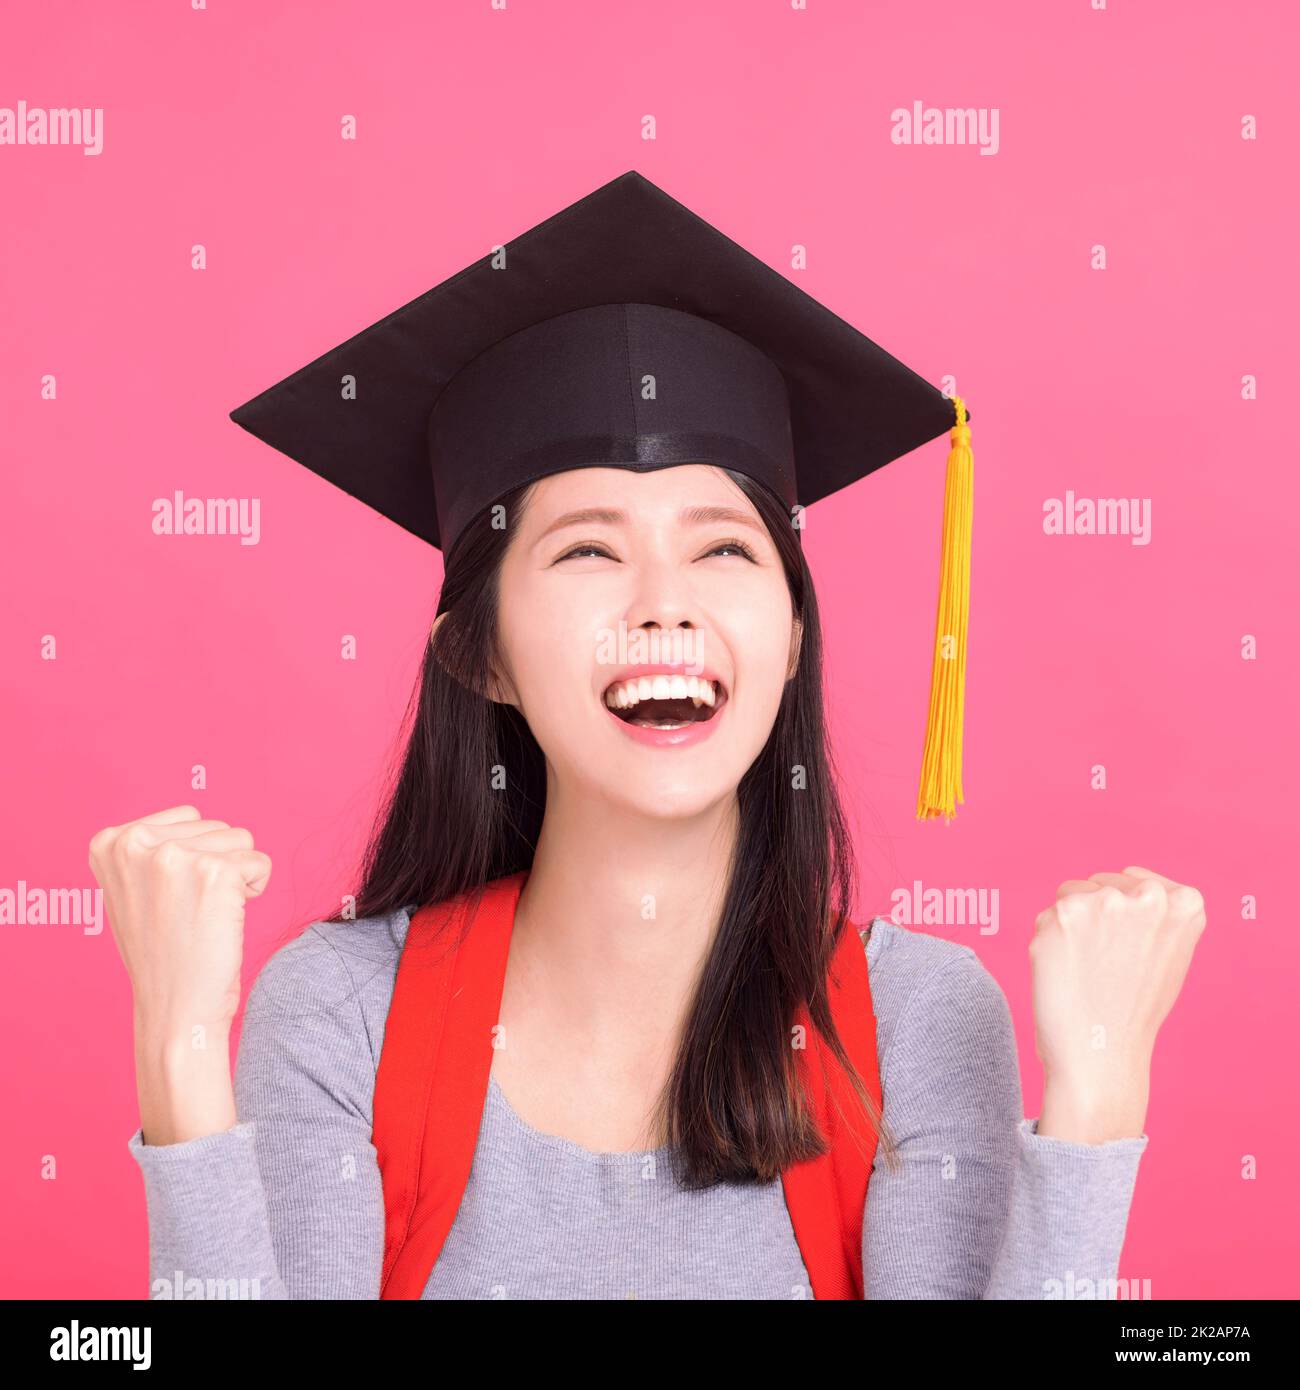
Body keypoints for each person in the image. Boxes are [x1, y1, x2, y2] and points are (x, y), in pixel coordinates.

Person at [90, 171, 1206, 1299]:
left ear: (789, 635)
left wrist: (1098, 1095)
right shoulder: (343, 1013)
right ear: (481, 656)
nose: (665, 601)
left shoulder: (914, 1020)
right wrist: (181, 1047)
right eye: (586, 549)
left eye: (724, 547)